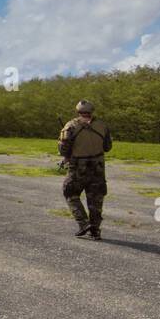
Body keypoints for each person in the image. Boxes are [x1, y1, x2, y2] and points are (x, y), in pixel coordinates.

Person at [58, 100, 112, 240]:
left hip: (78, 166)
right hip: (98, 167)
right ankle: (95, 230)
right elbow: (107, 147)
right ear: (91, 111)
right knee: (96, 199)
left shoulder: (70, 125)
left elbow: (63, 148)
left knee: (70, 193)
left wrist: (66, 156)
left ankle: (83, 223)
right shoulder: (102, 125)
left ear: (78, 111)